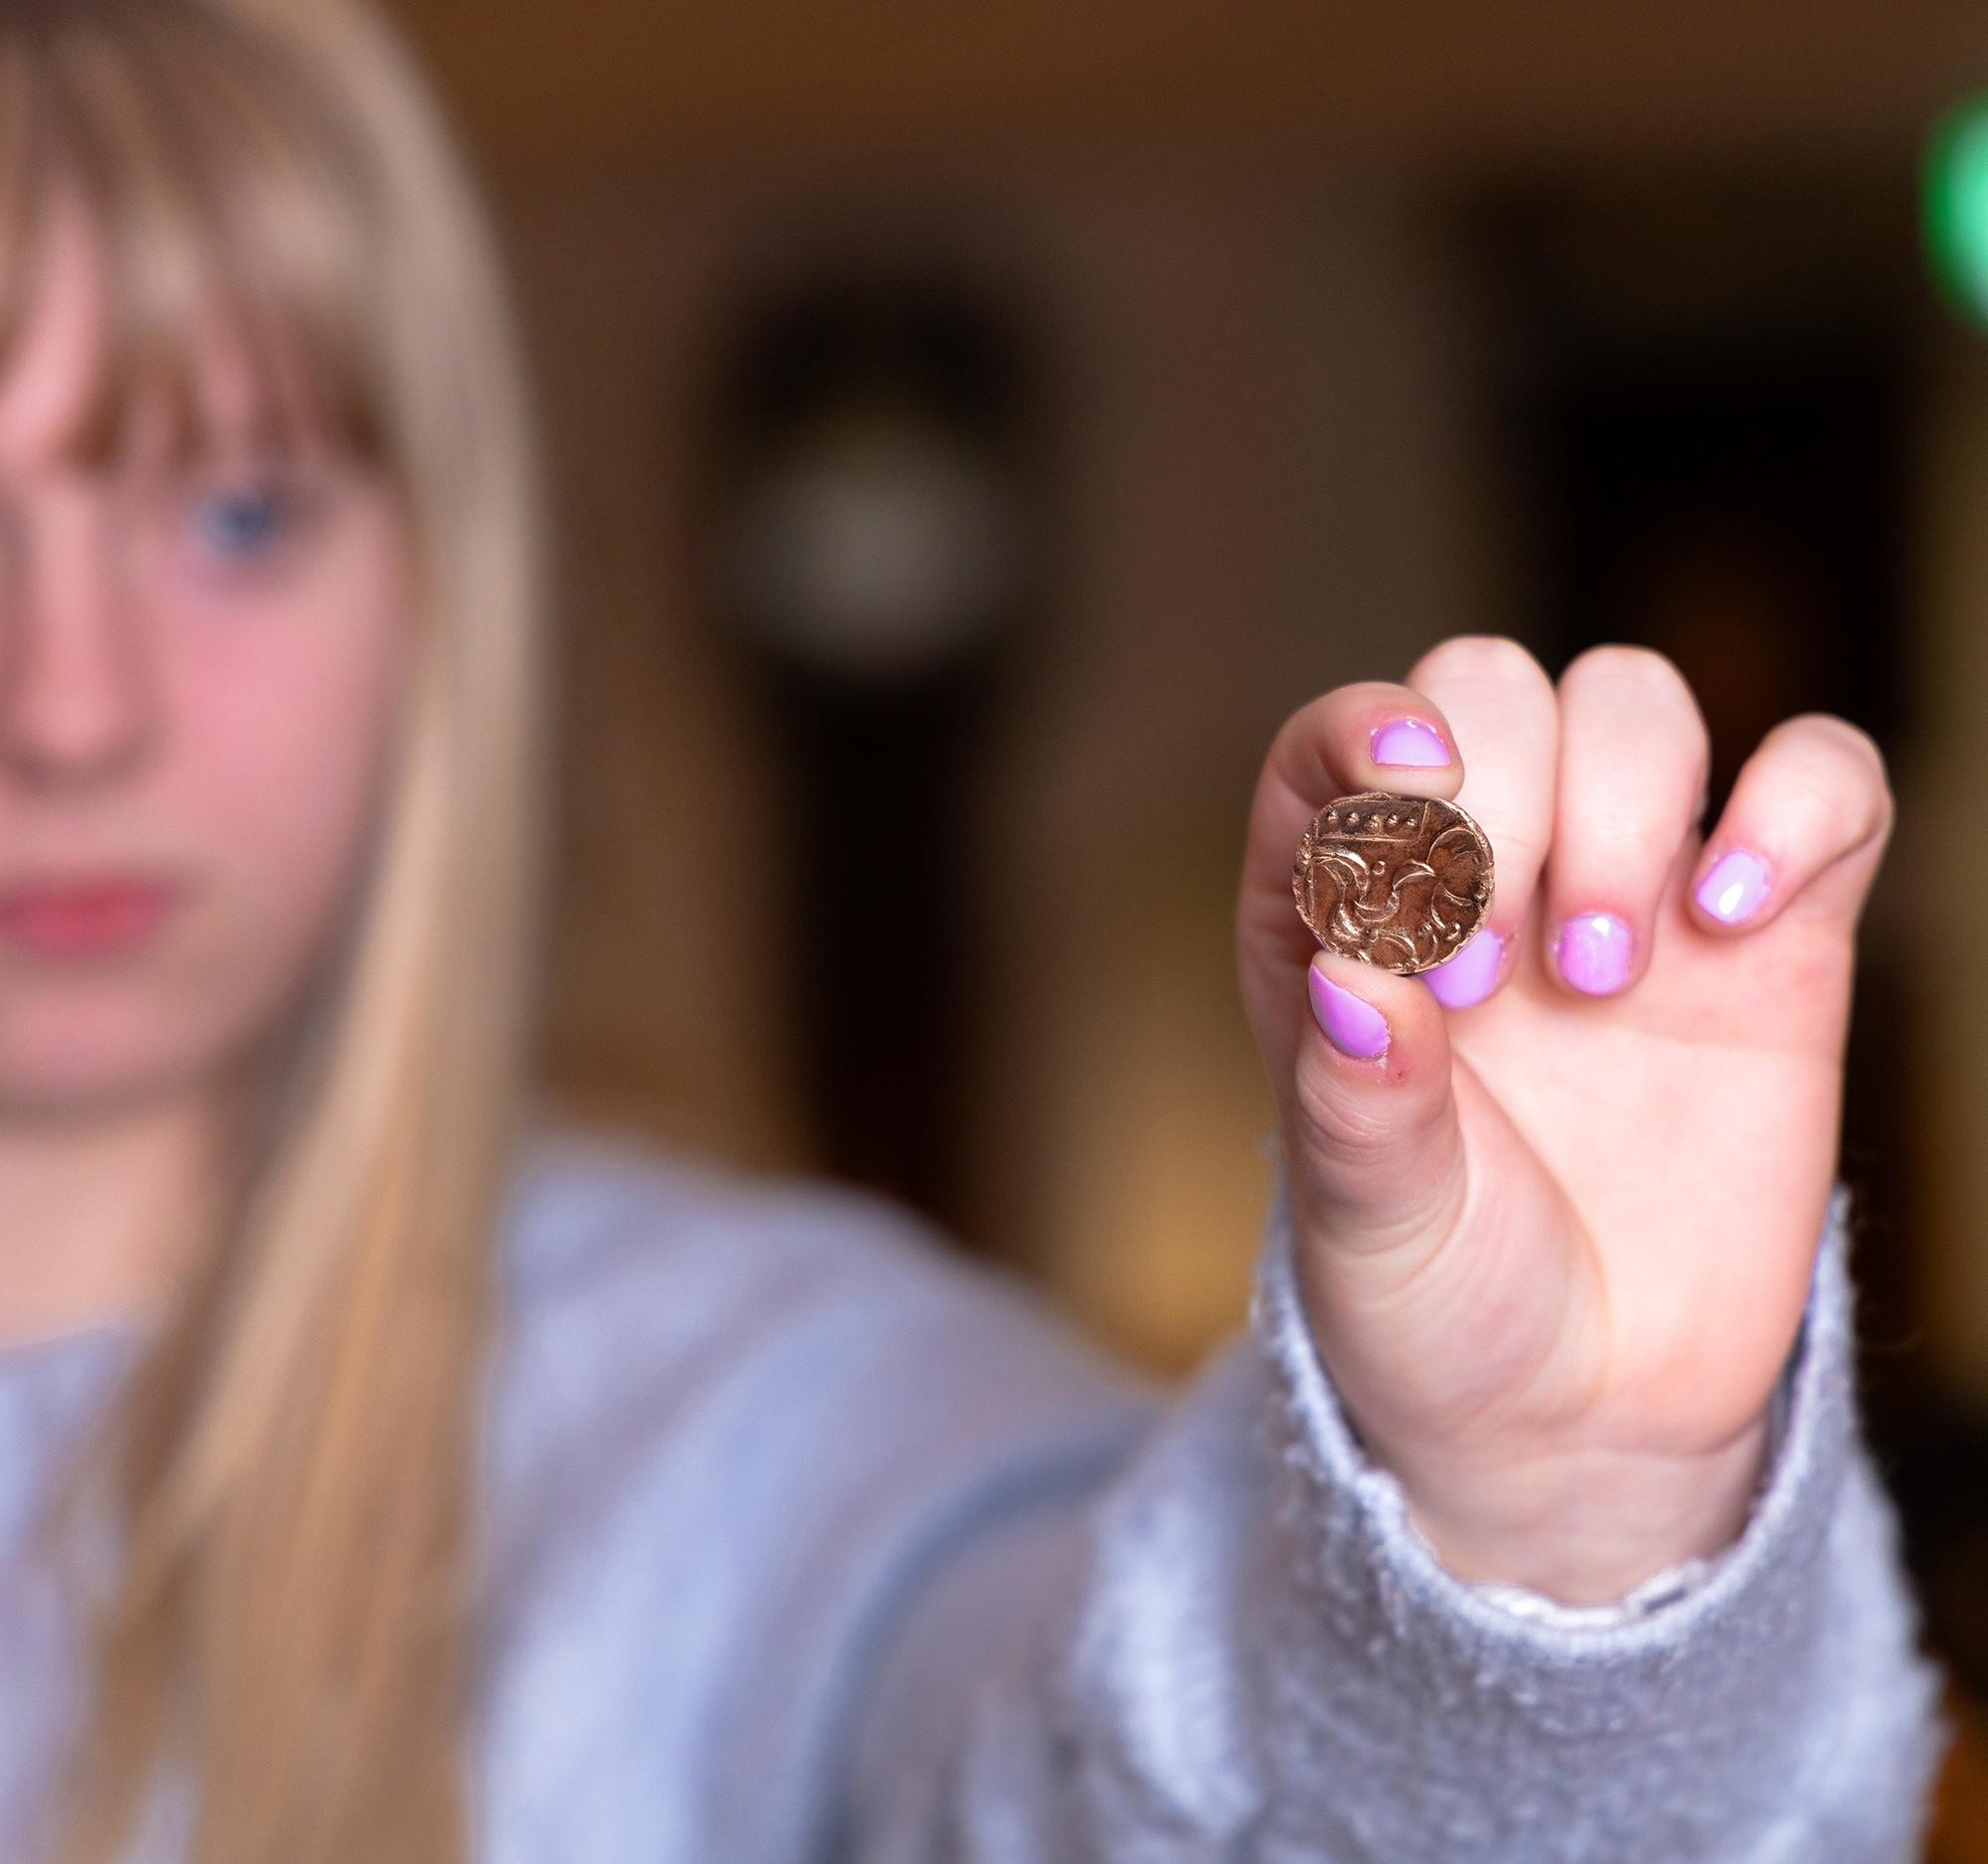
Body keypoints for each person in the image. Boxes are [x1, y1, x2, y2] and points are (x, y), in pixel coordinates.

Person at [0, 1, 1953, 1860]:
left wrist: (1545, 1533)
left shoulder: (752, 1421)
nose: (72, 706)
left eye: (241, 512)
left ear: (445, 594)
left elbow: (1135, 1789)